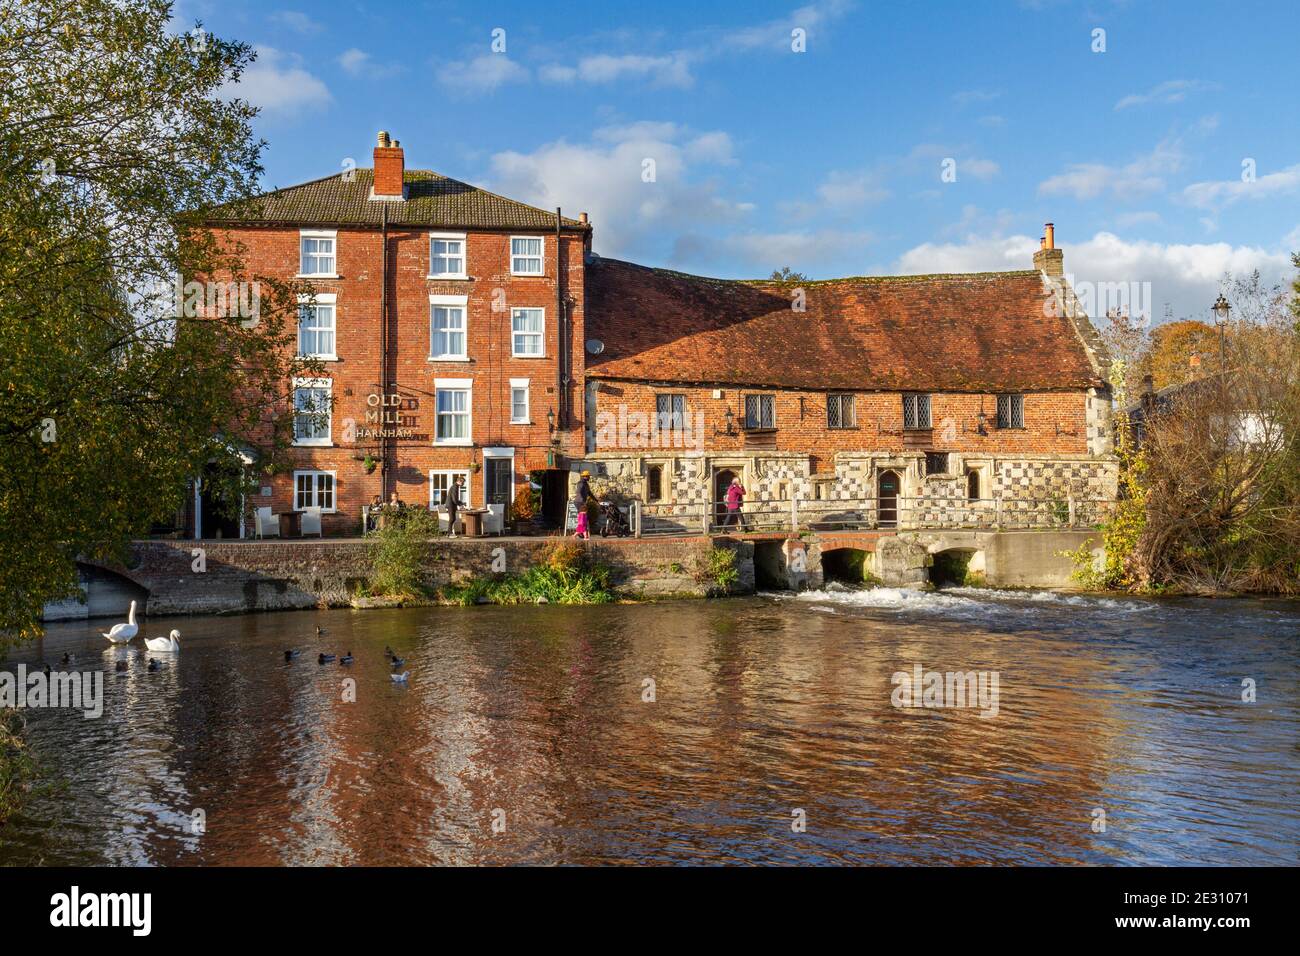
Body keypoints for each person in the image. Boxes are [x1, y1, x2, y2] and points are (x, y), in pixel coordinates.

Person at [573, 470, 594, 539]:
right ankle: (582, 533)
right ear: (585, 476)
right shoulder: (581, 483)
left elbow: (590, 494)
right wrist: (583, 502)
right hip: (579, 502)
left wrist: (597, 500)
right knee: (582, 519)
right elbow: (579, 492)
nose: (589, 477)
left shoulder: (586, 484)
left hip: (581, 502)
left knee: (583, 519)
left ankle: (581, 533)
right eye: (588, 476)